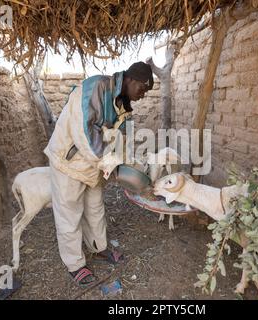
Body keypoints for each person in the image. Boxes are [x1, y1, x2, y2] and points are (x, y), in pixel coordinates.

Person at [44, 62, 154, 288]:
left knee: (94, 208)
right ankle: (75, 264)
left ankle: (99, 247)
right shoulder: (96, 87)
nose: (142, 96)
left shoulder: (122, 103)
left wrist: (126, 164)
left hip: (92, 164)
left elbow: (118, 138)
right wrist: (110, 164)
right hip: (69, 160)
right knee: (70, 212)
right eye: (142, 90)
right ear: (131, 80)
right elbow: (84, 132)